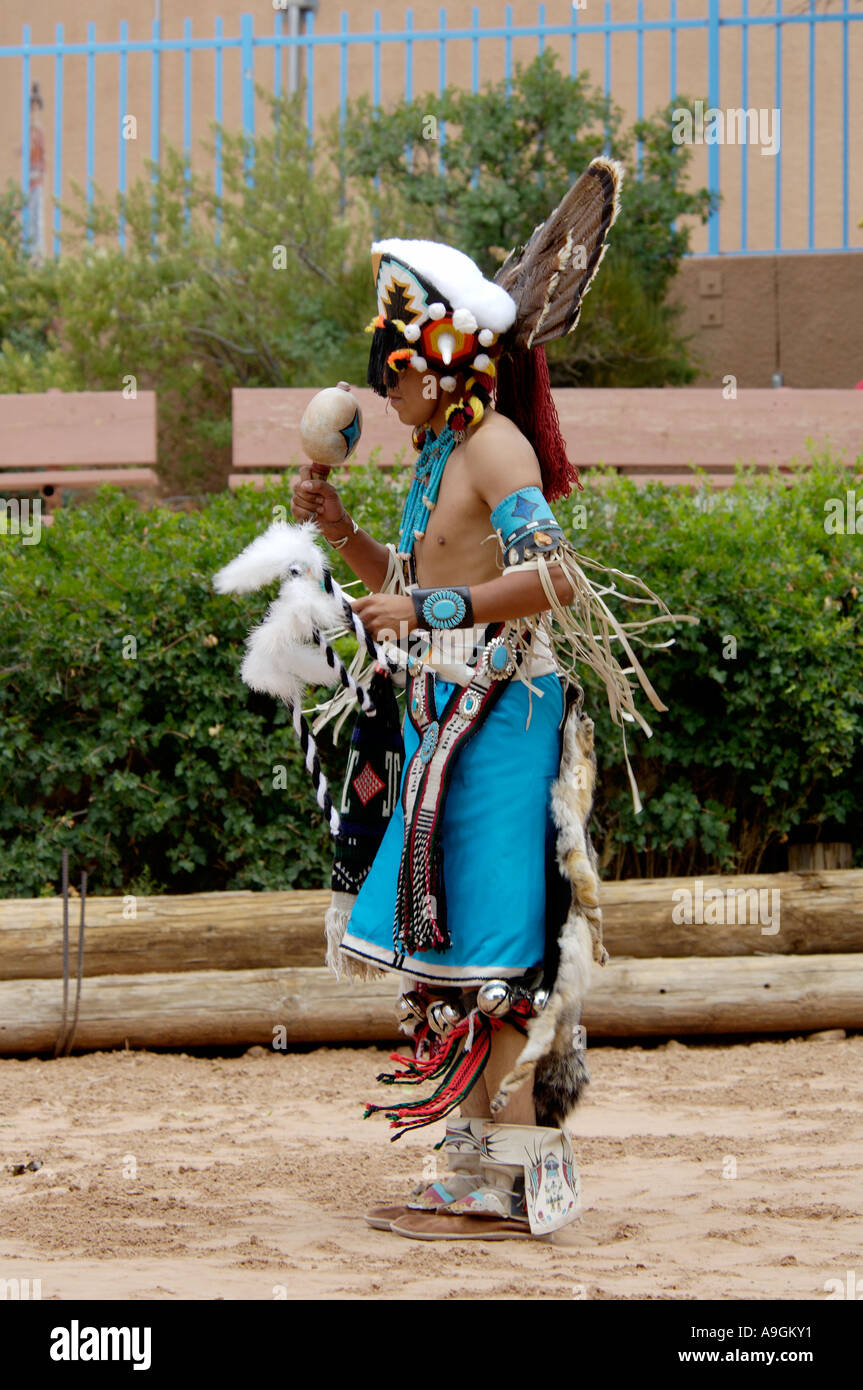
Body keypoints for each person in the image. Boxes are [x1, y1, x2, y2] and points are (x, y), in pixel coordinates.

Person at [291, 158, 675, 1241]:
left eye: (396, 375)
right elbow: (410, 591)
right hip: (443, 729)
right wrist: (339, 533)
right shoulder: (437, 458)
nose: (384, 396)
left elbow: (554, 575)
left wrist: (435, 609)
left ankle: (510, 1167)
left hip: (502, 727)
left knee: (501, 951)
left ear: (446, 358)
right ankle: (478, 1162)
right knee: (456, 952)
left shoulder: (493, 443)